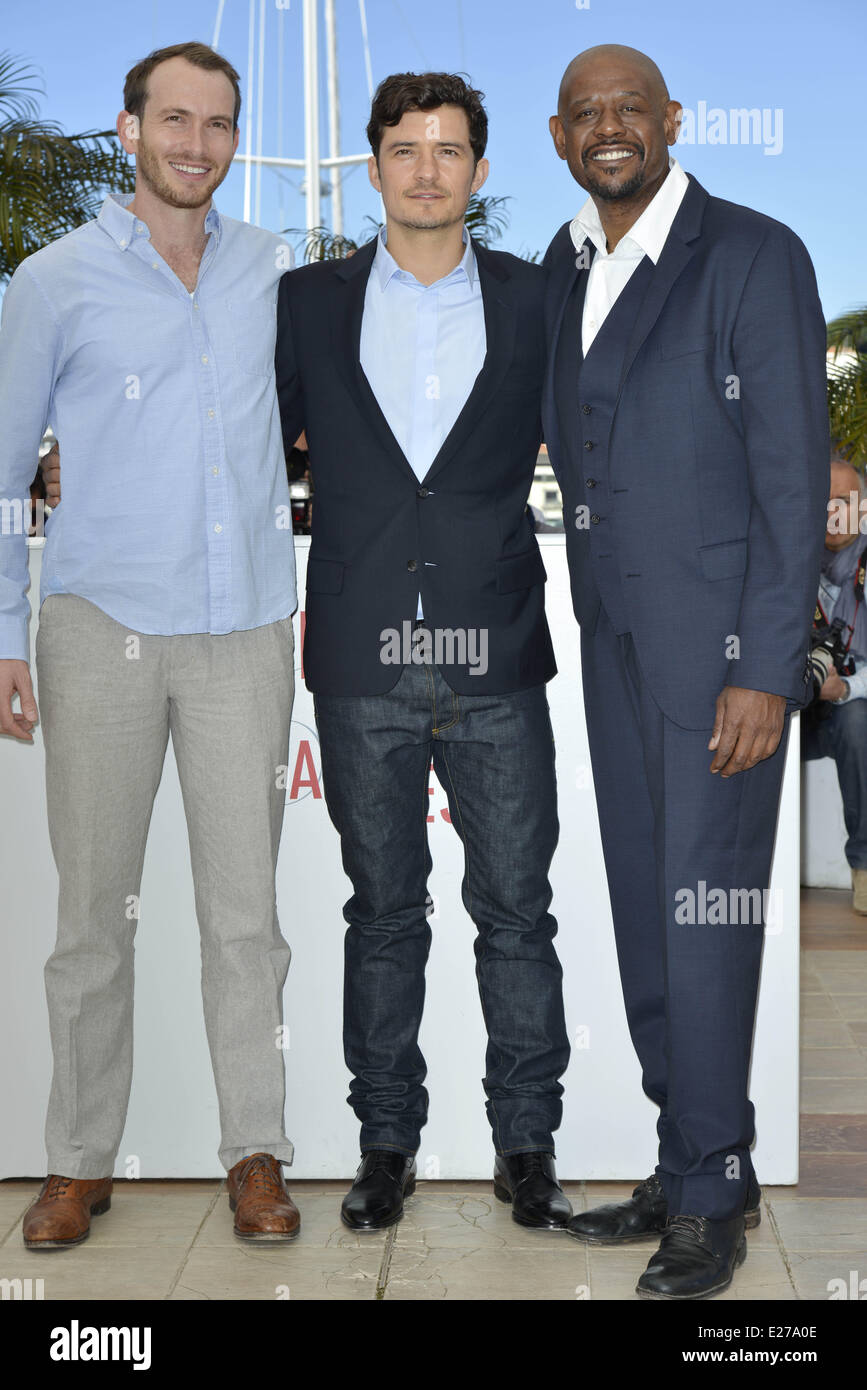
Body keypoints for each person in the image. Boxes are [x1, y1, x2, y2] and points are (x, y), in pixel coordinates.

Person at [0, 42, 301, 1248]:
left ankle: (257, 1153)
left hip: (243, 637)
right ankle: (77, 1159)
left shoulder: (276, 270)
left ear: (236, 139)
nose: (194, 143)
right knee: (93, 917)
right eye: (172, 120)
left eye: (217, 124)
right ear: (127, 129)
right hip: (99, 628)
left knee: (247, 920)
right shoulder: (53, 278)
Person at [543, 44, 828, 1297]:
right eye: (586, 114)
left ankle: (712, 1180)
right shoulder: (564, 267)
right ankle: (685, 1153)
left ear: (673, 121)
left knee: (706, 926)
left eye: (630, 109)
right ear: (561, 137)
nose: (611, 129)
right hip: (609, 647)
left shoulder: (755, 255)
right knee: (652, 919)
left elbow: (790, 480)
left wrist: (766, 665)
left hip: (723, 667)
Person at [275, 72, 572, 1232]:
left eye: (451, 149)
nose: (428, 168)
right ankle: (385, 1142)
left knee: (517, 913)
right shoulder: (305, 302)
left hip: (495, 653)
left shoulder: (540, 299)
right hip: (360, 659)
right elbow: (251, 451)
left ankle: (527, 1144)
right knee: (383, 912)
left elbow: (593, 451)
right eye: (406, 148)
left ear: (480, 172)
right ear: (375, 165)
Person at [802, 457, 867, 915]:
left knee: (859, 721)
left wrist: (844, 687)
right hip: (785, 702)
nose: (835, 511)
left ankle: (865, 868)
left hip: (844, 703)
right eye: (825, 501)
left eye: (846, 501)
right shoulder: (785, 556)